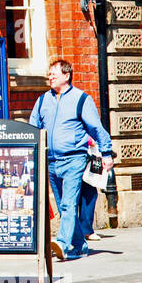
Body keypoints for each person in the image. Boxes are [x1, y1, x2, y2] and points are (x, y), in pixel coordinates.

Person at [29, 57, 115, 260]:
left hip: (74, 159)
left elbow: (96, 127)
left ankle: (62, 242)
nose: (49, 77)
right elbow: (33, 129)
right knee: (62, 207)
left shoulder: (81, 99)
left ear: (66, 76)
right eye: (49, 74)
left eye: (54, 74)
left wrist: (107, 152)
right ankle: (79, 247)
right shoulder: (43, 100)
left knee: (68, 204)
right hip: (51, 162)